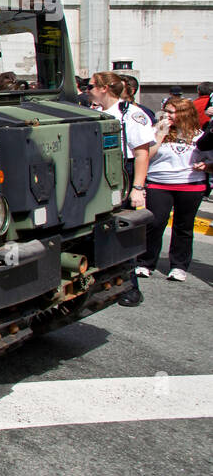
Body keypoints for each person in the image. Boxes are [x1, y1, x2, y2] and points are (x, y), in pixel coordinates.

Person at [89, 71, 155, 306]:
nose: (89, 90)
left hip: (122, 171)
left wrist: (138, 187)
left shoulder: (132, 114)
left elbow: (141, 153)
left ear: (104, 88)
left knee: (122, 233)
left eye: (91, 86)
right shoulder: (94, 112)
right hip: (98, 173)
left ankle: (130, 287)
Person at [137, 97, 212, 282]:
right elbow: (147, 156)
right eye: (166, 111)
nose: (167, 115)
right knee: (155, 223)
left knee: (183, 227)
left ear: (184, 114)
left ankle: (179, 266)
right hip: (159, 182)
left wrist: (206, 166)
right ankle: (146, 263)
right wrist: (160, 135)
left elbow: (210, 161)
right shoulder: (156, 131)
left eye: (172, 112)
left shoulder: (199, 135)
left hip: (190, 184)